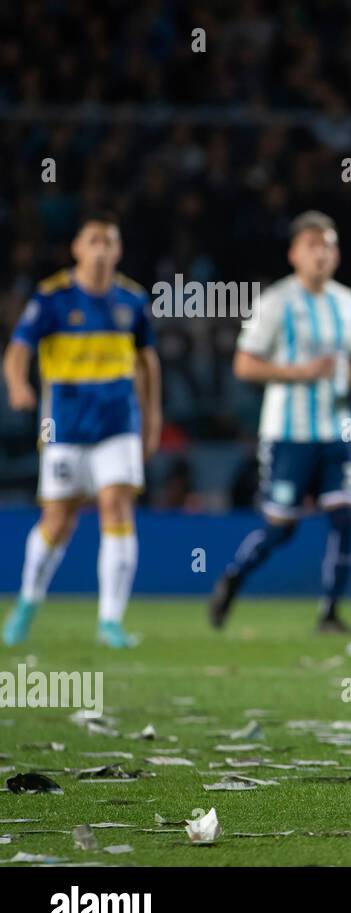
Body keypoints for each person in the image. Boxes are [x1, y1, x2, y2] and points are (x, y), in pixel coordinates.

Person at [208, 211, 351, 634]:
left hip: (338, 429)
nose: (321, 254)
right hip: (288, 434)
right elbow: (244, 364)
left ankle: (329, 613)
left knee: (345, 515)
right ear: (294, 254)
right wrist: (298, 373)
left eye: (328, 245)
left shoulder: (349, 302)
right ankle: (233, 577)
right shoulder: (274, 302)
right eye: (312, 246)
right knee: (280, 527)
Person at [2, 211, 161, 648]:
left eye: (109, 242)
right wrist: (17, 384)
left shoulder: (131, 301)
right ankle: (29, 602)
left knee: (116, 506)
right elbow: (18, 350)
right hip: (64, 427)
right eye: (93, 241)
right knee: (58, 520)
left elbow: (148, 361)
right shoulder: (52, 298)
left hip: (118, 422)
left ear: (119, 251)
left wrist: (152, 418)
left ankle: (111, 620)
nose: (101, 250)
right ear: (76, 248)